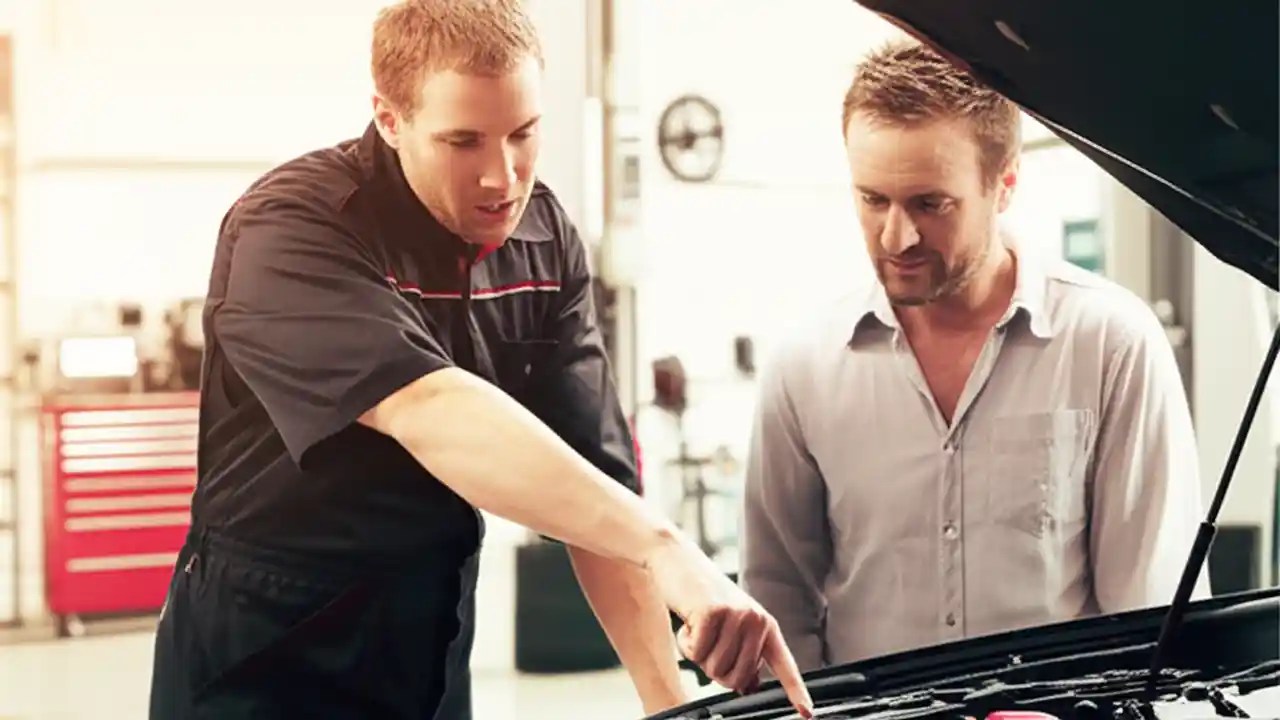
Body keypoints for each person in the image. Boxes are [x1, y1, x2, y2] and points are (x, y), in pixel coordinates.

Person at [147, 1, 813, 718]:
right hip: (267, 656)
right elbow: (428, 408)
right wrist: (667, 545)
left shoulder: (543, 239)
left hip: (429, 642)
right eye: (463, 141)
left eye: (523, 133)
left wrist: (670, 705)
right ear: (390, 119)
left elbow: (595, 489)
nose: (503, 178)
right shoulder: (292, 228)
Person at [736, 38, 1209, 675]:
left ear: (1004, 183)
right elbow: (776, 604)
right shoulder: (805, 367)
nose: (896, 236)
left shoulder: (1110, 344)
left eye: (930, 204)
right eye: (873, 200)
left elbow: (1152, 612)